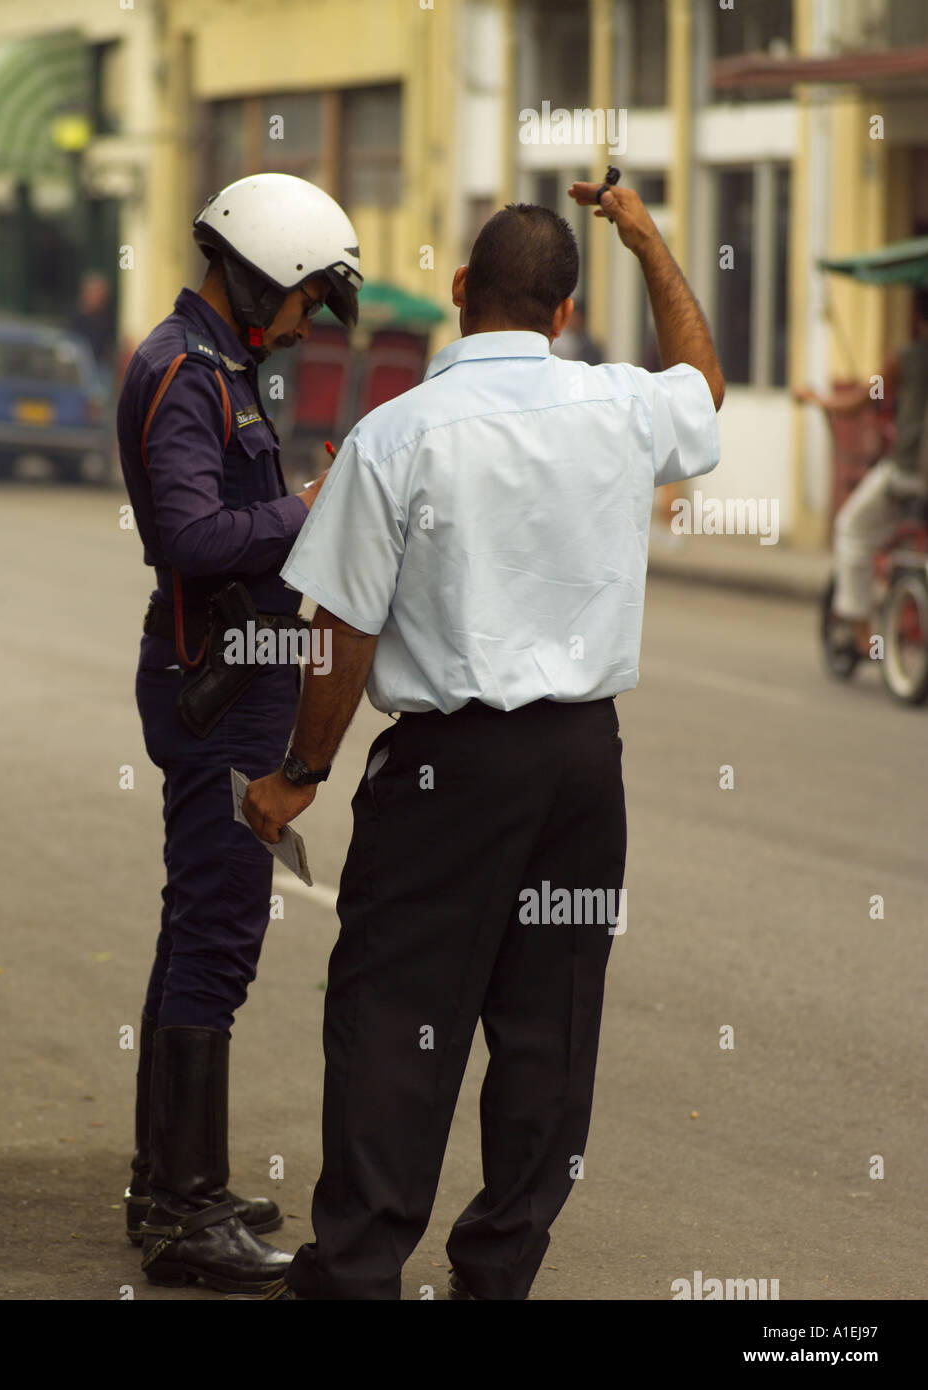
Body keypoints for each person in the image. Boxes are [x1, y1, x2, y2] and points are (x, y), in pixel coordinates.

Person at [243, 182, 724, 1300]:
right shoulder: (616, 405)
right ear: (563, 312)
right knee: (549, 1033)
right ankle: (496, 1270)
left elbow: (346, 632)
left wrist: (297, 775)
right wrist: (649, 240)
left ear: (461, 292)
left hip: (444, 776)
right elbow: (698, 379)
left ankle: (358, 1271)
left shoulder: (396, 433)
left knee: (392, 1020)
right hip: (579, 772)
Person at [114, 172, 363, 1293]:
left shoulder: (216, 367)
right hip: (213, 696)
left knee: (198, 929)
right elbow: (188, 533)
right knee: (214, 940)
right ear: (261, 271)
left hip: (234, 686)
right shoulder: (186, 374)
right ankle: (182, 1213)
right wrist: (303, 513)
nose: (311, 320)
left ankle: (170, 1177)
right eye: (309, 296)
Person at [795, 287, 928, 650]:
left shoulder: (905, 360)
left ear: (917, 317)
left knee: (852, 530)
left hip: (910, 476)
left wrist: (818, 399)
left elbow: (858, 401)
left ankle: (860, 630)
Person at [550, 295, 604, 364]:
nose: (570, 320)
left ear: (581, 318)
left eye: (573, 316)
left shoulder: (588, 345)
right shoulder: (562, 340)